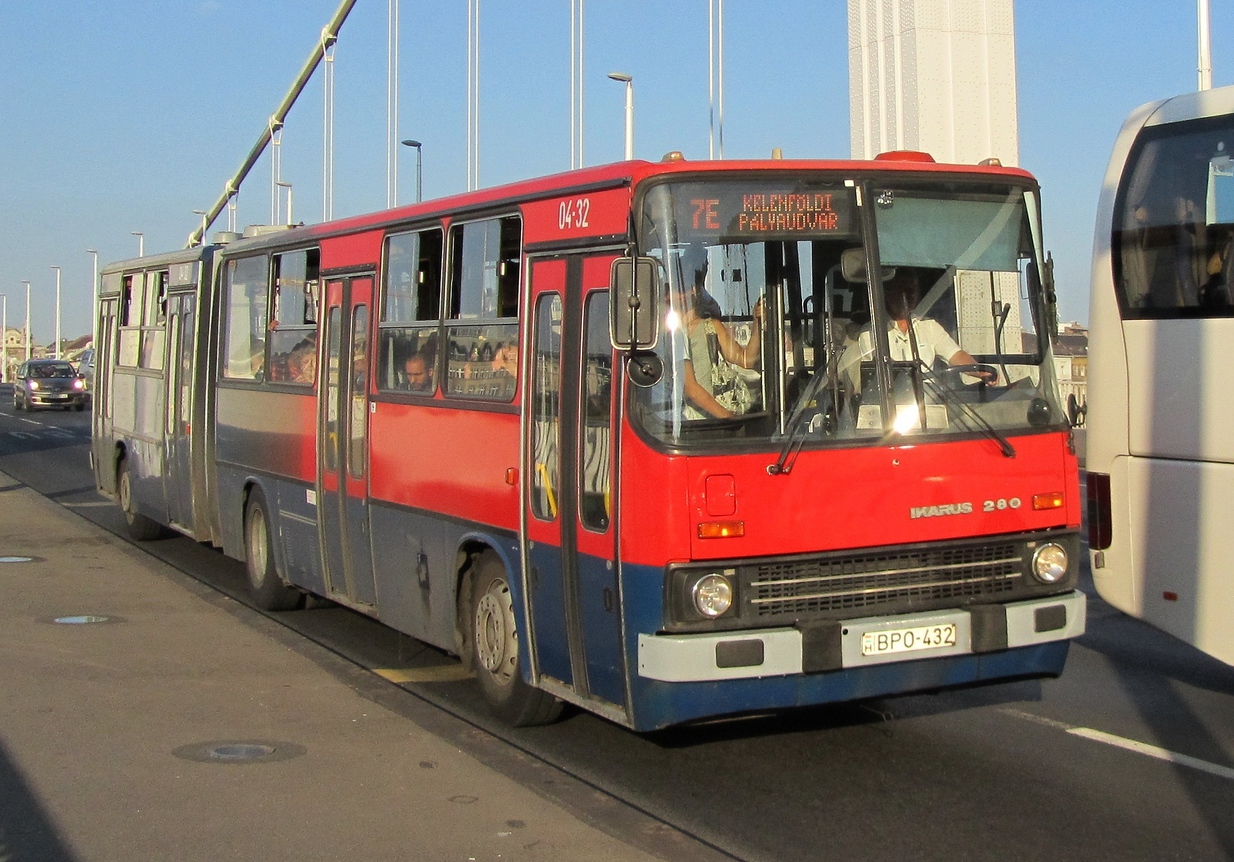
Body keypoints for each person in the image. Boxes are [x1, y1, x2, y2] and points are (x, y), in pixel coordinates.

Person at [840, 267, 994, 391]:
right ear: (887, 293)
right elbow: (887, 373)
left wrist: (980, 371)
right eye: (903, 289)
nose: (910, 294)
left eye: (913, 288)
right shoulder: (871, 332)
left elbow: (956, 355)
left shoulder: (930, 326)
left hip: (931, 407)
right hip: (892, 408)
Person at [673, 244, 764, 419]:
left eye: (677, 289)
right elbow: (689, 387)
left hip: (708, 420)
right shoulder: (665, 331)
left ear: (693, 290)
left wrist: (757, 323)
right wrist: (728, 417)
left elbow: (746, 360)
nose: (670, 295)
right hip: (679, 423)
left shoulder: (710, 327)